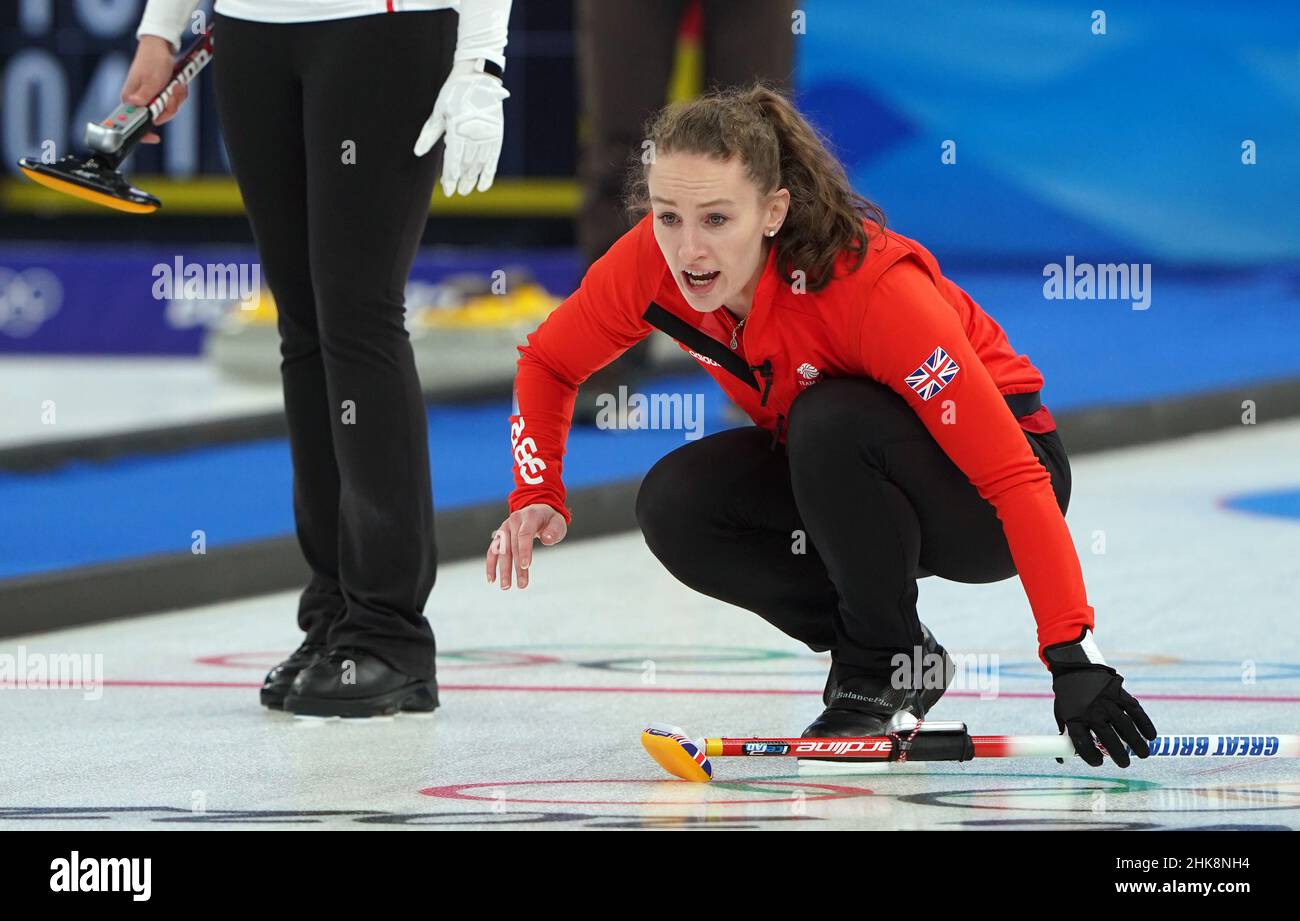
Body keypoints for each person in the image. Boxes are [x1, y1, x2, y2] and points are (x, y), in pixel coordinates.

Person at [487, 84, 1158, 767]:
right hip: (842, 474)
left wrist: (1073, 654)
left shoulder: (870, 289)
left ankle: (876, 666)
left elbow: (1013, 475)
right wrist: (535, 488)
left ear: (773, 210)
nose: (687, 250)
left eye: (717, 219)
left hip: (985, 496)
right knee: (676, 502)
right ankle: (901, 654)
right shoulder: (649, 263)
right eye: (668, 217)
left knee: (831, 418)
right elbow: (548, 361)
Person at [128, 0, 511, 717]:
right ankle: (335, 615)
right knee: (302, 327)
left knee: (358, 318)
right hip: (250, 31)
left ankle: (389, 634)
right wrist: (161, 27)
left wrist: (481, 61)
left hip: (380, 25)